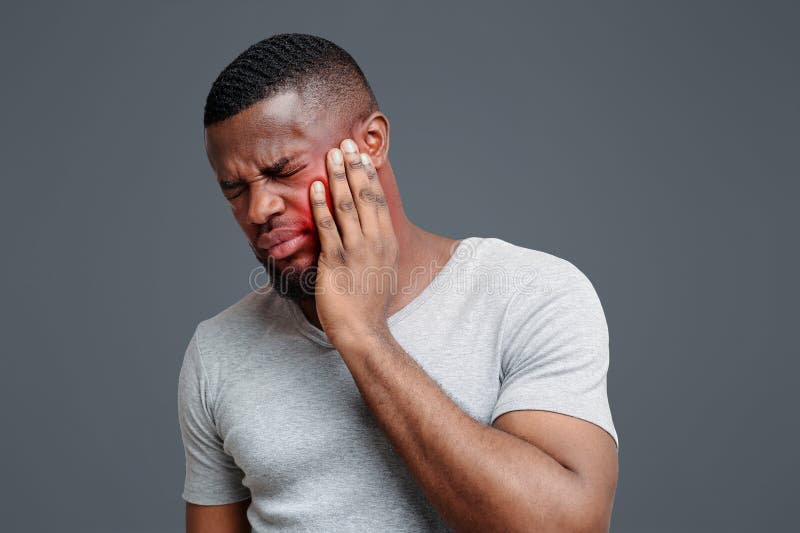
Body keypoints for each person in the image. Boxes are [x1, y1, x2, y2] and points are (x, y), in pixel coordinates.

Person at [178, 33, 619, 533]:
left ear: (372, 143)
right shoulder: (218, 350)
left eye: (284, 170)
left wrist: (364, 336)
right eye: (235, 189)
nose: (259, 209)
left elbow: (568, 526)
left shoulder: (530, 294)